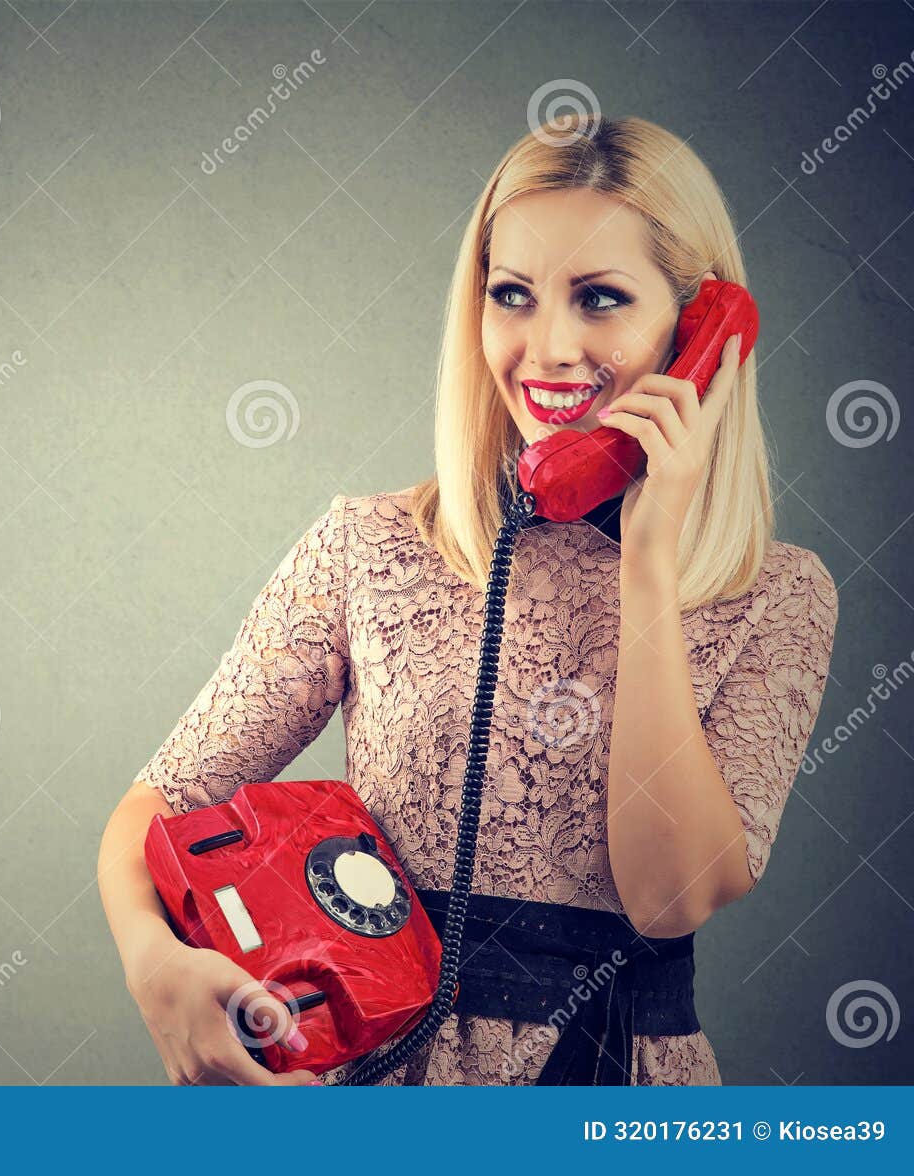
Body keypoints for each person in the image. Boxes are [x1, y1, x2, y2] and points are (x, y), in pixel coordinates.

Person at [97, 115, 839, 1086]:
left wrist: (650, 555)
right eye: (512, 296)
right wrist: (158, 972)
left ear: (703, 329)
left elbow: (669, 897)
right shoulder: (369, 546)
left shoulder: (776, 595)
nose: (547, 346)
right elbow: (152, 809)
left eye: (600, 298)